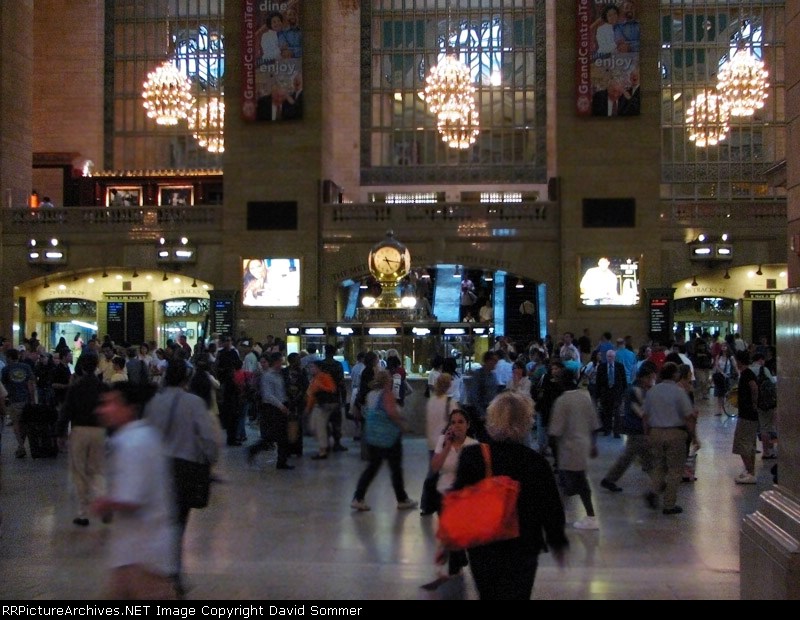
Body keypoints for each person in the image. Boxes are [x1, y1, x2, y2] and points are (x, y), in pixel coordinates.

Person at [452, 391, 568, 599]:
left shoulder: (472, 456)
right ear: (525, 422)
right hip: (523, 547)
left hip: (483, 547)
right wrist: (557, 541)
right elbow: (551, 509)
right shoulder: (536, 462)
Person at [91, 382, 177, 600]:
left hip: (141, 555)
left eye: (111, 403)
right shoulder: (145, 436)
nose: (102, 409)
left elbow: (130, 498)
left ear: (129, 408)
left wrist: (103, 504)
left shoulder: (131, 443)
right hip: (139, 552)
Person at [143, 358, 220, 594]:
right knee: (178, 521)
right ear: (186, 378)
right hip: (185, 467)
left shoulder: (154, 403)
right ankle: (172, 571)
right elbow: (208, 437)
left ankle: (160, 568)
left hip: (157, 468)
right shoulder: (194, 403)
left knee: (162, 521)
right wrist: (210, 459)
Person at [351, 370, 417, 512]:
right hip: (389, 437)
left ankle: (358, 497)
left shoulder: (371, 395)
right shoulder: (387, 394)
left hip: (373, 436)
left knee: (372, 468)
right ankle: (402, 499)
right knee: (395, 469)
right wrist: (403, 425)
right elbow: (392, 413)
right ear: (388, 381)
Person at [58, 352, 108, 526]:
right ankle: (103, 505)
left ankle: (82, 513)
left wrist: (60, 433)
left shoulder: (75, 387)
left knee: (80, 471)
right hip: (99, 431)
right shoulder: (103, 387)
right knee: (98, 470)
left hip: (79, 430)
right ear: (96, 365)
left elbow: (66, 411)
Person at [549, 370, 602, 530]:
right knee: (575, 481)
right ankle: (568, 513)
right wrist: (593, 444)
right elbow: (594, 424)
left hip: (568, 447)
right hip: (583, 445)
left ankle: (590, 516)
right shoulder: (585, 398)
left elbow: (555, 430)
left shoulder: (562, 401)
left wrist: (551, 447)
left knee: (573, 483)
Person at [428, 409, 478, 578]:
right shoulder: (443, 441)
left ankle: (457, 561)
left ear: (468, 425)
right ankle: (456, 564)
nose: (456, 425)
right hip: (444, 493)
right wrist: (447, 446)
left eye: (461, 422)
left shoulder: (473, 445)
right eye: (453, 422)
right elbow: (434, 467)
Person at [642, 362, 695, 515]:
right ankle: (669, 504)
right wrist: (693, 436)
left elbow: (645, 416)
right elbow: (688, 416)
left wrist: (647, 434)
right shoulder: (679, 392)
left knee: (659, 466)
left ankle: (653, 490)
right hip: (675, 434)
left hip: (656, 433)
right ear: (675, 375)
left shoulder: (652, 391)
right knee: (675, 470)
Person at [601, 362, 657, 492]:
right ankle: (659, 481)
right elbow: (642, 412)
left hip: (634, 428)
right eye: (651, 378)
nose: (652, 381)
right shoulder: (637, 391)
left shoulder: (635, 389)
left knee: (632, 457)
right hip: (637, 429)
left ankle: (609, 480)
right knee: (641, 457)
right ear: (644, 378)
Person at [1, 348, 35, 458]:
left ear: (10, 358)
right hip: (26, 399)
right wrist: (32, 399)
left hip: (13, 400)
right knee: (24, 423)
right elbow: (31, 384)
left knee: (16, 424)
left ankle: (21, 446)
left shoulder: (6, 369)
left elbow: (4, 385)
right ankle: (21, 446)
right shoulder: (26, 367)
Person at [731, 350, 759, 484]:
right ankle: (750, 470)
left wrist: (753, 403)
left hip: (746, 414)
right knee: (750, 444)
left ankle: (750, 471)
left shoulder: (747, 374)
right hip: (749, 414)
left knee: (743, 443)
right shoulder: (747, 374)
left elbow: (754, 388)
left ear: (739, 361)